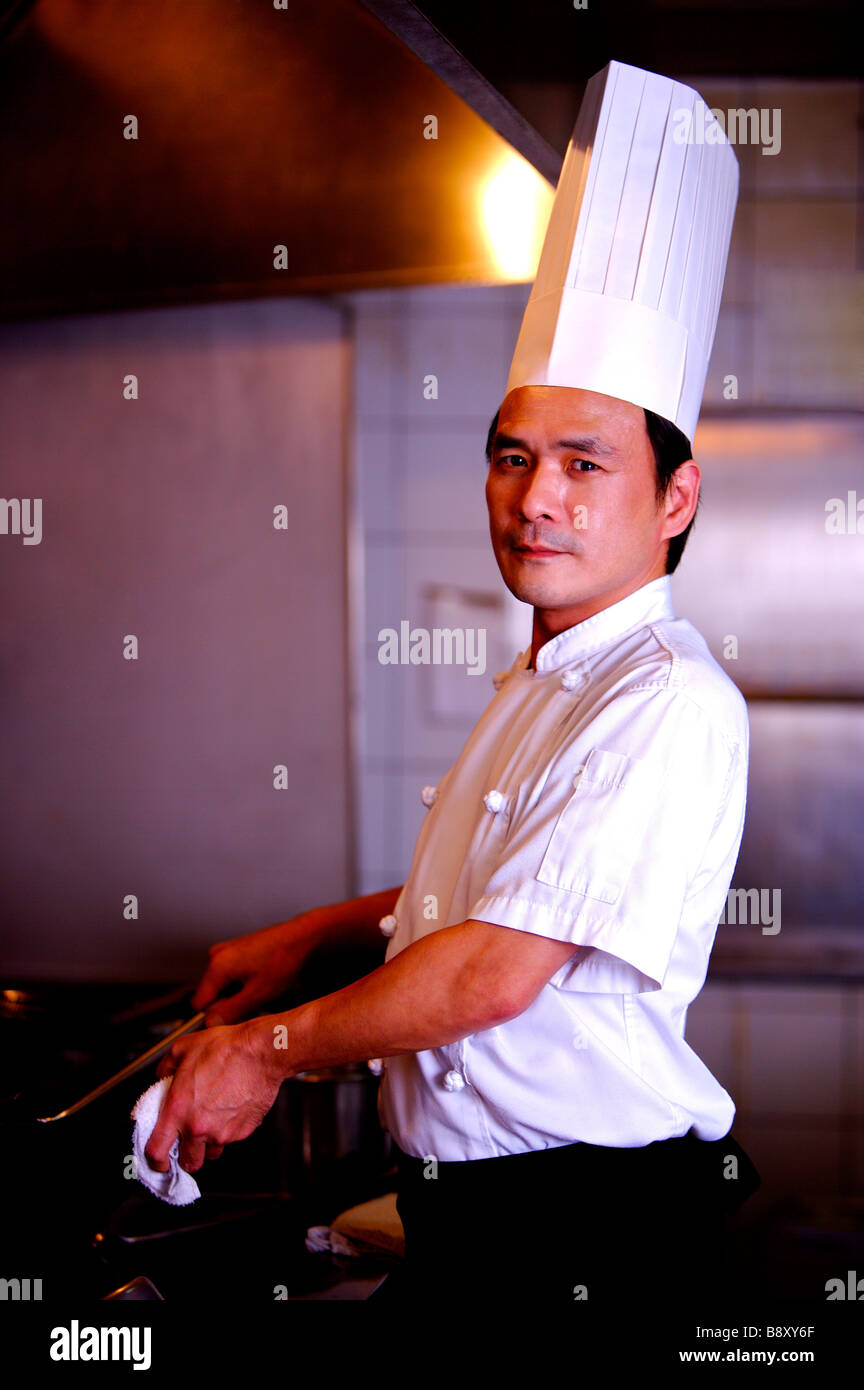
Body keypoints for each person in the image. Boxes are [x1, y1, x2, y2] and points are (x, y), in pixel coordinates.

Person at [147, 60, 761, 1307]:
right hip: (491, 1219)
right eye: (514, 456)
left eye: (586, 464)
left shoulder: (668, 701)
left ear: (674, 498)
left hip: (588, 1228)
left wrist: (267, 1053)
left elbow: (492, 972)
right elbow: (496, 896)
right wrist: (310, 941)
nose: (537, 496)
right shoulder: (547, 674)